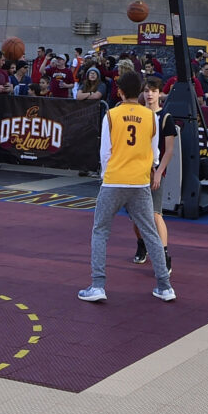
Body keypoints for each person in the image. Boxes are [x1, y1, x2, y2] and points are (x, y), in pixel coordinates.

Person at [77, 67, 175, 304]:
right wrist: (147, 168)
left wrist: (106, 176)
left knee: (101, 231)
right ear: (140, 91)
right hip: (139, 182)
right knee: (150, 233)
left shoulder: (111, 115)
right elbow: (155, 153)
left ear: (119, 91)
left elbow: (105, 152)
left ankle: (98, 285)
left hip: (114, 180)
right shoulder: (150, 116)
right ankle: (165, 286)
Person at [132, 79, 177, 269]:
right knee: (137, 215)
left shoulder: (165, 117)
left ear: (160, 93)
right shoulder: (136, 115)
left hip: (155, 171)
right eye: (146, 91)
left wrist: (158, 172)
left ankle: (164, 254)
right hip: (136, 171)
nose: (149, 94)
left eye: (153, 91)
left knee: (155, 213)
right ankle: (142, 243)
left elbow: (169, 150)